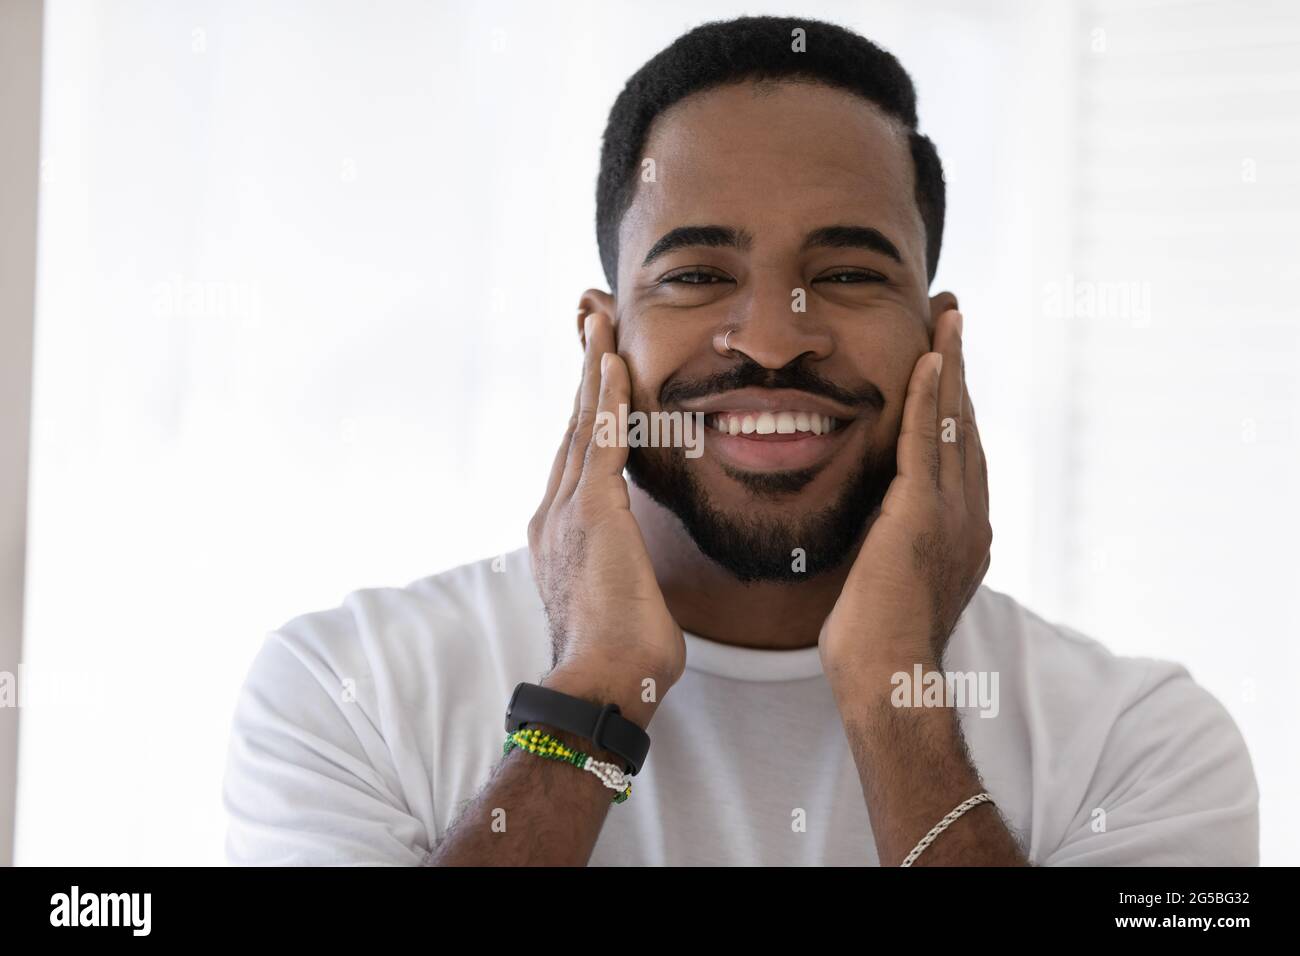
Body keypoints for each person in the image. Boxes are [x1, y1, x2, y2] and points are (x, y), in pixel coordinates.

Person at [222, 15, 1258, 866]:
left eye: (849, 274)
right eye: (695, 275)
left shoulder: (1143, 749)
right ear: (601, 335)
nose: (769, 339)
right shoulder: (341, 694)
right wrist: (589, 697)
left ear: (937, 336)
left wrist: (896, 689)